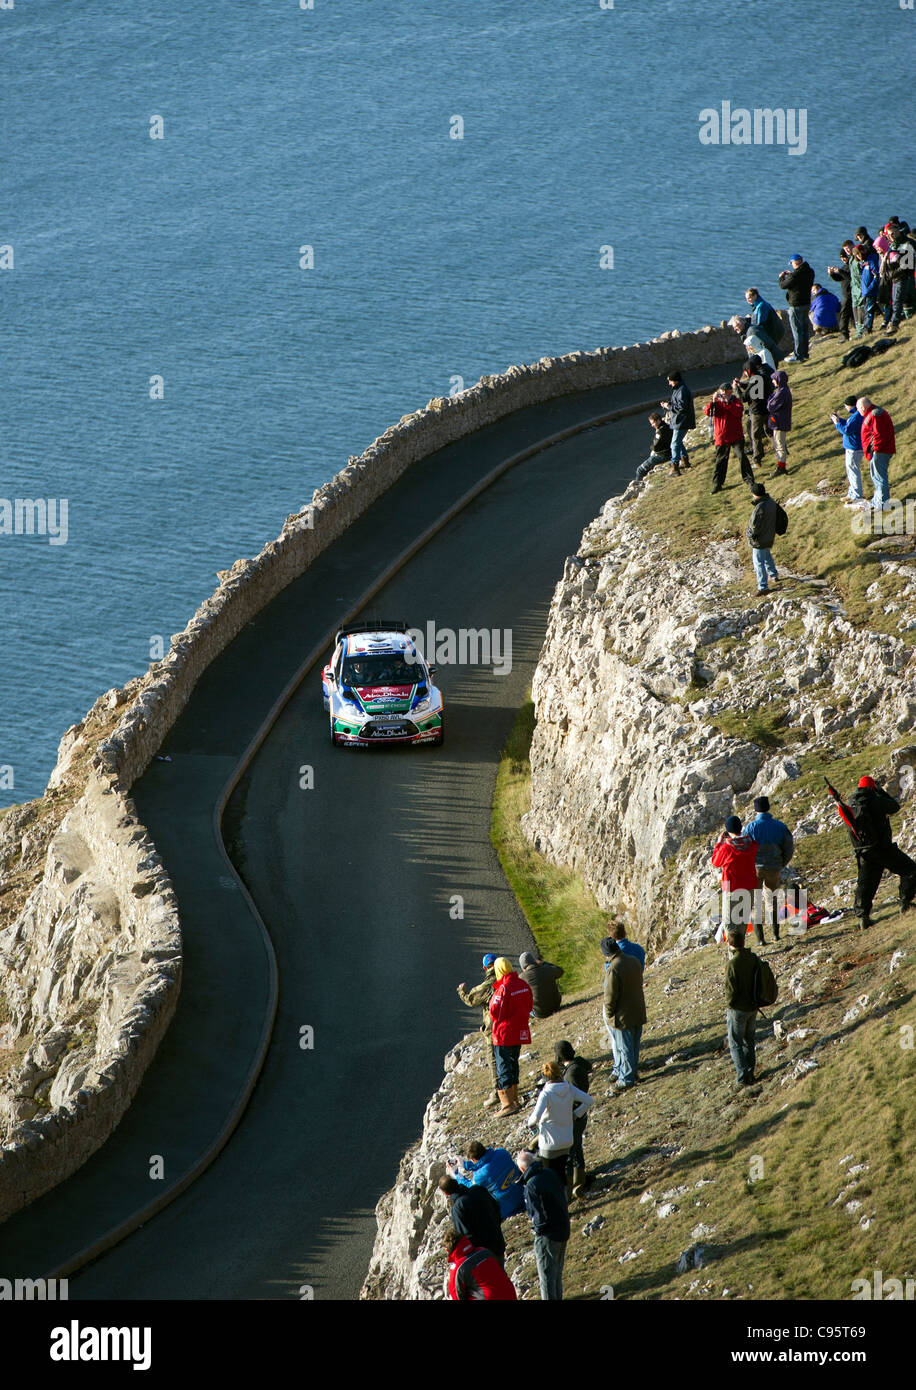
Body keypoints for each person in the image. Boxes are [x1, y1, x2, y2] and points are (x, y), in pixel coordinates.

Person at [847, 776, 916, 931]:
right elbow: (894, 806)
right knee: (910, 870)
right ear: (872, 787)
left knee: (866, 884)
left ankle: (863, 917)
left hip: (864, 851)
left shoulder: (852, 803)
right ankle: (905, 902)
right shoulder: (875, 799)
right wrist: (881, 792)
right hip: (882, 848)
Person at [527, 1060, 594, 1186]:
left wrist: (530, 1124)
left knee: (549, 1176)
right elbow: (589, 1100)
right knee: (562, 1170)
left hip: (549, 1143)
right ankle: (567, 1194)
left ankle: (558, 1198)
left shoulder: (546, 1094)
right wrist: (576, 1114)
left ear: (545, 1078)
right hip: (566, 1140)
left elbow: (535, 1117)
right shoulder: (569, 1088)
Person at [515, 1150, 570, 1301]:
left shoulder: (531, 1186)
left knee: (546, 1276)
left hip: (548, 1234)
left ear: (522, 1169)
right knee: (556, 1272)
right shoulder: (550, 1173)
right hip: (563, 1227)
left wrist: (537, 1231)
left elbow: (538, 1216)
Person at [743, 796, 795, 945]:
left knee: (755, 904)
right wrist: (781, 863)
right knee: (772, 900)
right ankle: (775, 935)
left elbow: (745, 850)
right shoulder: (780, 826)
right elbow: (789, 848)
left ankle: (760, 940)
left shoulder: (750, 828)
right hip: (774, 867)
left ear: (755, 810)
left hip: (756, 869)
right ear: (768, 808)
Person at [488, 956, 533, 1116]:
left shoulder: (503, 988)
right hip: (519, 1032)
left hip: (503, 1034)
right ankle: (515, 1099)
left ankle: (507, 1104)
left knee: (503, 1067)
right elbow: (529, 1005)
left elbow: (494, 1013)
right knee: (514, 1064)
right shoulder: (522, 984)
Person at [602, 936, 646, 1090]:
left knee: (625, 1047)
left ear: (606, 953)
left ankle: (626, 1079)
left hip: (623, 1015)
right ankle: (633, 1073)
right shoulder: (633, 960)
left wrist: (609, 1013)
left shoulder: (613, 968)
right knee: (634, 1045)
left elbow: (610, 995)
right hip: (638, 1009)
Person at [457, 953, 500, 1109]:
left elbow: (471, 999)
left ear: (484, 967)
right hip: (510, 1026)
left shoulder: (488, 985)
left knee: (494, 1060)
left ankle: (497, 1094)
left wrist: (461, 991)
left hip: (493, 1029)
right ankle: (511, 1089)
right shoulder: (507, 980)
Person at [447, 1141, 526, 1219]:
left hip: (508, 1207)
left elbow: (469, 1187)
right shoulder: (502, 1152)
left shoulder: (481, 1176)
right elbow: (487, 1162)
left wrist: (456, 1175)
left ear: (473, 1159)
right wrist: (465, 1165)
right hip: (523, 1194)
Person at [439, 1174, 506, 1265]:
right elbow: (496, 1208)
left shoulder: (458, 1209)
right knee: (501, 1276)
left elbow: (464, 1237)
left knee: (492, 1277)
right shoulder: (478, 1190)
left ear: (445, 1193)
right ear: (456, 1182)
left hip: (483, 1254)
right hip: (498, 1241)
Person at [554, 1041, 593, 1198]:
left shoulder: (571, 1074)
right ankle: (580, 1180)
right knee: (577, 1148)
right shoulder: (579, 1065)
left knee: (569, 1155)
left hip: (573, 1117)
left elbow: (574, 1098)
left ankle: (570, 1189)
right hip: (580, 1116)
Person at [724, 926, 759, 1086]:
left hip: (738, 1009)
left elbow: (731, 991)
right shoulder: (752, 958)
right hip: (753, 1007)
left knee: (735, 1043)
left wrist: (729, 1005)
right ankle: (750, 1071)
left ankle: (742, 1076)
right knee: (749, 1041)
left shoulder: (732, 964)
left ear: (730, 945)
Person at [712, 815, 758, 934]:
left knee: (729, 922)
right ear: (740, 827)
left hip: (731, 888)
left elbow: (716, 862)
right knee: (743, 919)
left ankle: (734, 950)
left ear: (728, 831)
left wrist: (718, 844)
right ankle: (741, 945)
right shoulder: (752, 844)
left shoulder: (726, 848)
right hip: (750, 885)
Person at [705, 383, 754, 494]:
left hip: (736, 436)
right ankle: (717, 484)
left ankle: (749, 480)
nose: (723, 395)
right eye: (722, 393)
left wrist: (728, 403)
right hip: (721, 437)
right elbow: (707, 412)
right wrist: (712, 402)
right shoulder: (717, 403)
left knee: (742, 456)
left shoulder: (736, 401)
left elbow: (738, 413)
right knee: (720, 460)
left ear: (730, 392)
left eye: (725, 392)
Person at [445, 1229, 518, 1301]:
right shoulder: (483, 1251)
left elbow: (457, 1296)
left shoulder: (457, 1268)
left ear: (447, 1250)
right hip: (510, 1293)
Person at [735, 356, 774, 469]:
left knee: (755, 436)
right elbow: (752, 386)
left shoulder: (753, 380)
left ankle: (757, 459)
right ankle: (781, 450)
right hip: (767, 409)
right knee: (769, 431)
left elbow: (743, 398)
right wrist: (741, 384)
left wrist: (736, 388)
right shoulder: (762, 376)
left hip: (757, 412)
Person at [857, 397, 895, 511]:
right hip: (879, 451)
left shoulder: (875, 414)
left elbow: (878, 435)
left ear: (863, 408)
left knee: (879, 477)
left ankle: (882, 503)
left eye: (858, 408)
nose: (858, 411)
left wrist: (875, 451)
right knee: (876, 477)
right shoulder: (874, 412)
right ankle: (877, 501)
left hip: (880, 451)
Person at [746, 482, 781, 597]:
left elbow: (755, 526)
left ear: (755, 494)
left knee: (758, 562)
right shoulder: (771, 502)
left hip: (759, 539)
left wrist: (749, 535)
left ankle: (763, 586)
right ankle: (774, 575)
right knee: (766, 556)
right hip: (769, 536)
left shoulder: (760, 507)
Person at [778, 254, 815, 361]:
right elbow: (798, 279)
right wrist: (791, 275)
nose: (792, 266)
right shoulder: (810, 271)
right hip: (806, 303)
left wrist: (781, 277)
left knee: (797, 330)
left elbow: (783, 285)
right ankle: (805, 353)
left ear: (795, 262)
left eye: (792, 264)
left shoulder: (795, 275)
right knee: (804, 329)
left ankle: (798, 355)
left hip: (796, 305)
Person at [830, 396, 865, 506]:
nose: (845, 407)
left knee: (853, 472)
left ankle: (856, 495)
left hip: (854, 449)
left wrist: (837, 423)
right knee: (851, 472)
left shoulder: (856, 416)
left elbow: (847, 430)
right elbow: (850, 424)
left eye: (845, 406)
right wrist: (840, 420)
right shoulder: (857, 415)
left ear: (849, 405)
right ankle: (851, 493)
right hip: (855, 448)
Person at [660, 371, 695, 474]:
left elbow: (682, 407)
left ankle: (675, 466)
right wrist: (669, 404)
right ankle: (684, 460)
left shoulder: (682, 390)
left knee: (674, 444)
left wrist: (669, 407)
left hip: (682, 421)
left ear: (675, 380)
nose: (669, 383)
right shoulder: (679, 389)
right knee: (678, 442)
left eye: (670, 381)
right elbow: (678, 403)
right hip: (679, 420)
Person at [518, 950, 564, 1020]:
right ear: (534, 961)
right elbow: (560, 971)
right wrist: (543, 963)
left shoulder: (521, 977)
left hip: (540, 1013)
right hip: (556, 1006)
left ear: (523, 967)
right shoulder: (547, 969)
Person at [744, 287, 784, 365]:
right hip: (775, 331)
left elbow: (758, 325)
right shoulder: (760, 305)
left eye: (749, 298)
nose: (747, 300)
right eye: (746, 298)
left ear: (755, 296)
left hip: (772, 332)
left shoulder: (761, 307)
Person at [827, 242, 857, 340]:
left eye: (844, 257)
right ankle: (857, 329)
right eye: (841, 258)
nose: (843, 259)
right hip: (847, 294)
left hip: (849, 294)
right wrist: (832, 274)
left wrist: (840, 271)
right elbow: (839, 278)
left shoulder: (852, 265)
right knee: (852, 314)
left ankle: (844, 334)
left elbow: (850, 278)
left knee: (844, 315)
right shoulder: (844, 266)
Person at [635, 410, 675, 480]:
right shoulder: (668, 427)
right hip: (670, 452)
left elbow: (655, 447)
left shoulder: (661, 431)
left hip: (664, 455)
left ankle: (638, 484)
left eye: (653, 423)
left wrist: (652, 448)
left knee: (640, 470)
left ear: (658, 420)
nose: (652, 425)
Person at [766, 370, 792, 475]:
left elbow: (770, 407)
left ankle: (781, 466)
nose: (772, 381)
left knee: (779, 444)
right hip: (781, 420)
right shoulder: (784, 390)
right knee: (779, 443)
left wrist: (769, 399)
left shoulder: (781, 392)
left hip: (779, 422)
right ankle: (781, 465)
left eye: (773, 379)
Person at [855, 243, 881, 336]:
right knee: (866, 310)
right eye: (856, 255)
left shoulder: (871, 261)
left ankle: (867, 329)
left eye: (859, 253)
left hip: (870, 291)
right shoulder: (864, 263)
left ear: (864, 251)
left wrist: (870, 287)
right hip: (866, 292)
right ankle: (866, 328)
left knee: (869, 311)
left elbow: (877, 275)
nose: (858, 256)